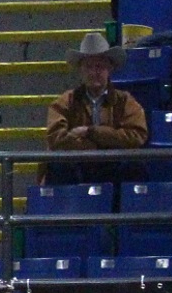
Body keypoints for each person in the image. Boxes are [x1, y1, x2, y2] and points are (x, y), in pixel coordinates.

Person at [44, 34, 149, 185]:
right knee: (58, 167)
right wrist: (103, 144)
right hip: (78, 165)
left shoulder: (126, 101)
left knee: (134, 167)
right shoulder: (64, 102)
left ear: (109, 69)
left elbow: (137, 136)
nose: (94, 72)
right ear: (81, 70)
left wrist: (89, 132)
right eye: (89, 67)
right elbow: (56, 139)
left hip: (113, 166)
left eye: (99, 66)